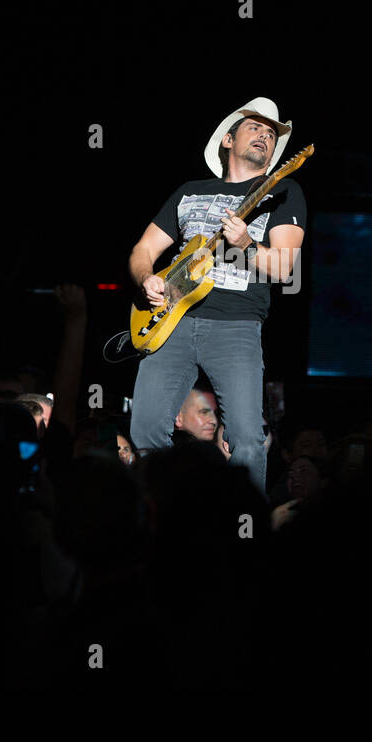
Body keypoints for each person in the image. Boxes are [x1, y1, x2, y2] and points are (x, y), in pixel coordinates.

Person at [127, 97, 306, 497]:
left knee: (245, 434)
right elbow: (143, 251)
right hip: (171, 321)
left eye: (271, 133)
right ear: (228, 139)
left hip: (236, 324)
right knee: (146, 427)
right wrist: (146, 279)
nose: (265, 135)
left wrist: (245, 243)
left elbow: (284, 268)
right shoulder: (190, 191)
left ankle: (244, 531)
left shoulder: (284, 190)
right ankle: (158, 523)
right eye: (255, 127)